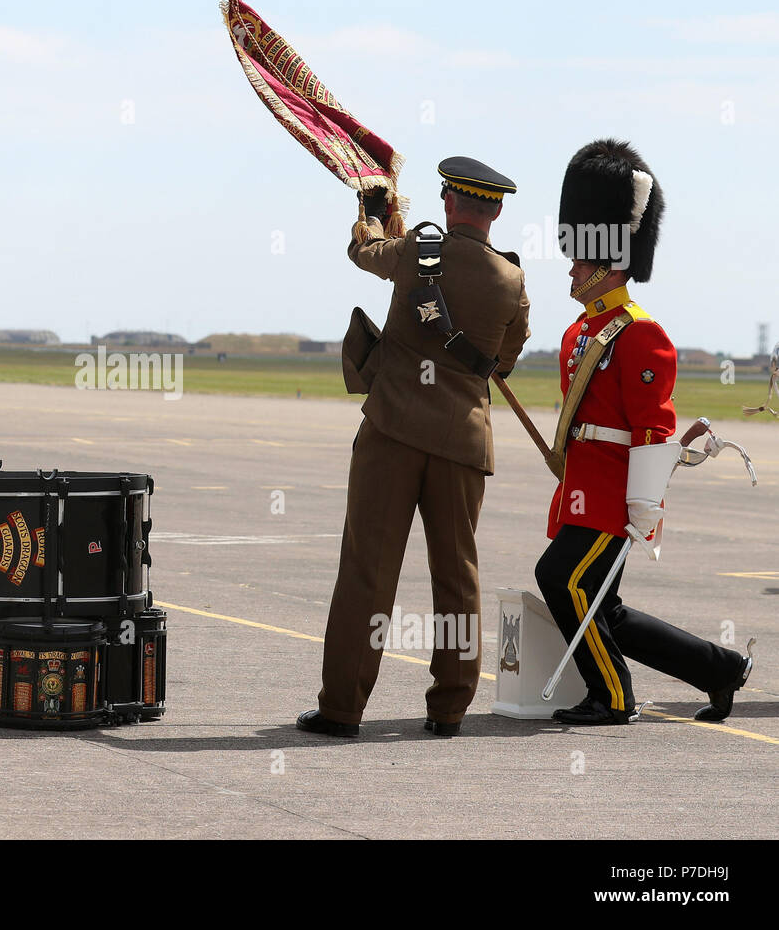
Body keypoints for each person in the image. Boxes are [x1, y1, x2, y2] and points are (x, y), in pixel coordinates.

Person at [298, 157, 531, 738]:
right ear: (496, 210)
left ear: (449, 202)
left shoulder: (417, 253)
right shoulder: (511, 279)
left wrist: (374, 212)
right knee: (457, 576)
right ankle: (449, 709)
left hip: (394, 431)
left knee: (368, 571)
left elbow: (364, 254)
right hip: (462, 442)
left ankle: (342, 710)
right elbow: (503, 359)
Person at [534, 139, 753, 725]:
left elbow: (655, 427)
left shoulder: (639, 334)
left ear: (611, 260)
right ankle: (720, 669)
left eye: (582, 257)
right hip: (584, 486)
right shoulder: (580, 334)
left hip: (616, 495)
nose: (573, 266)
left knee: (561, 579)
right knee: (604, 607)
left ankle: (612, 695)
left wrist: (644, 503)